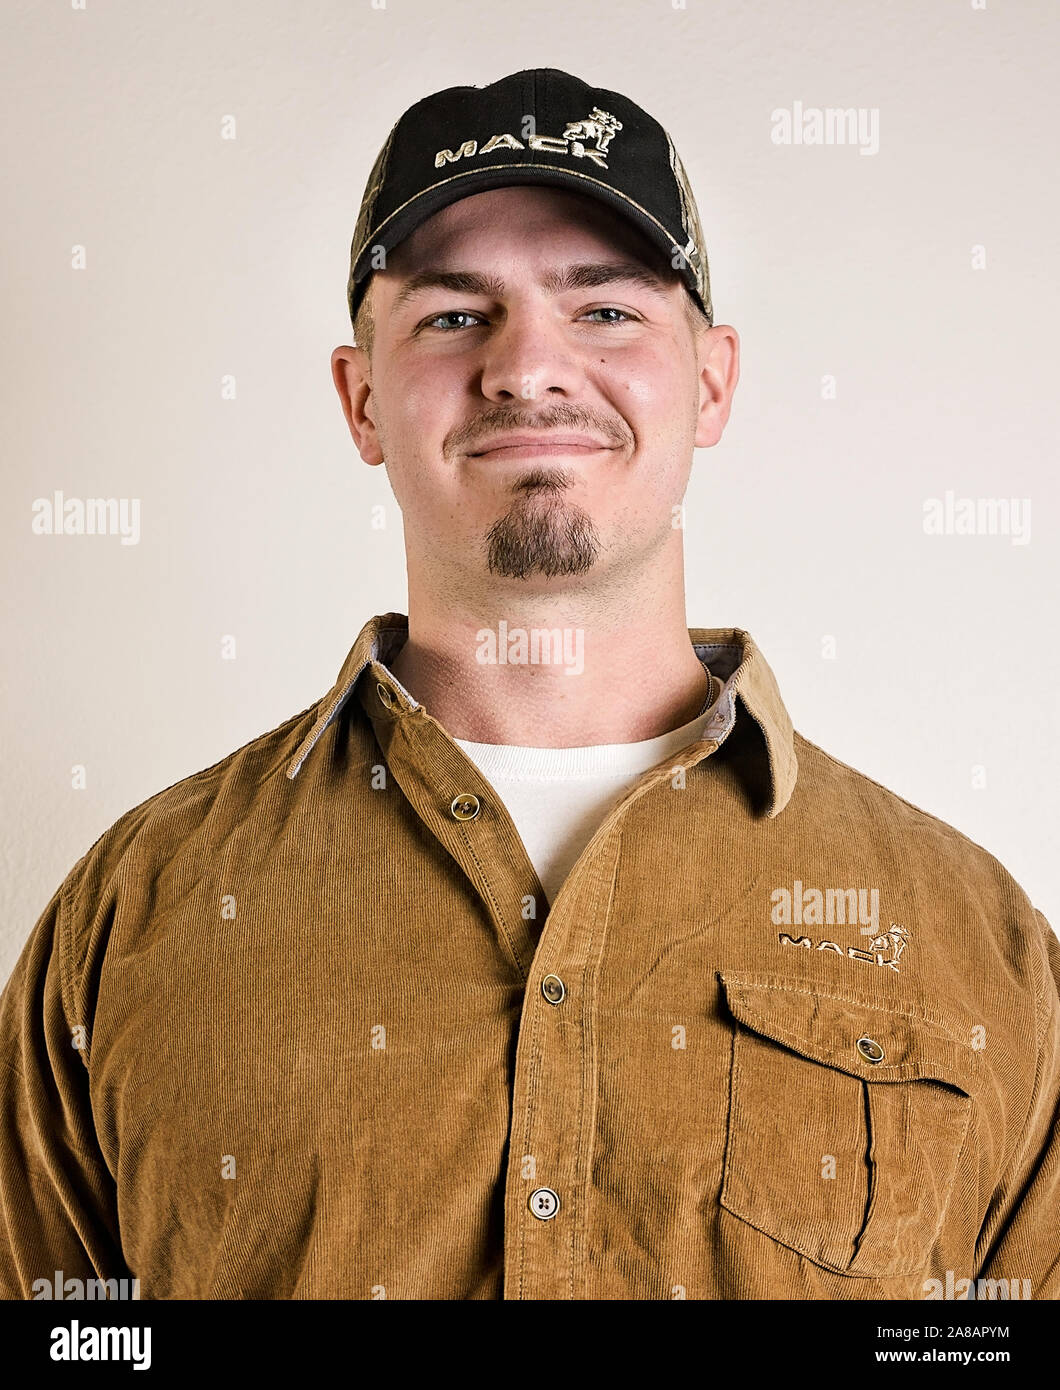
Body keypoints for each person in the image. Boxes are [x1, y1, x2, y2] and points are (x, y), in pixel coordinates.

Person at [1, 67, 1056, 1302]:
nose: (527, 368)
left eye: (604, 310)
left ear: (711, 382)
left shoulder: (969, 936)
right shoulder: (132, 918)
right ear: (360, 401)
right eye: (455, 317)